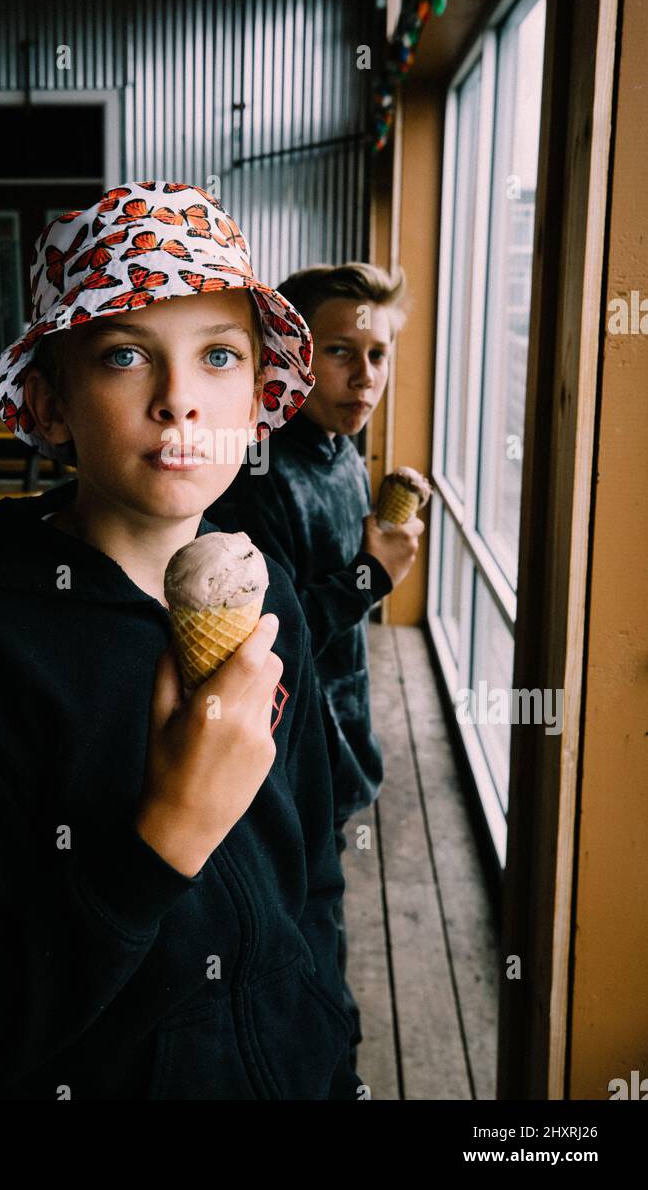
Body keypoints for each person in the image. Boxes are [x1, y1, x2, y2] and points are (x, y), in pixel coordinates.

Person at [0, 181, 365, 1101]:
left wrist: (331, 1041)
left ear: (261, 394)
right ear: (52, 404)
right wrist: (161, 841)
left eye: (218, 355)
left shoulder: (275, 602)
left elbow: (314, 874)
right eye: (124, 356)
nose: (180, 400)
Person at [206, 262, 424, 1073]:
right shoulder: (258, 473)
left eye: (377, 354)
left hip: (338, 746)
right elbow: (270, 639)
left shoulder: (338, 448)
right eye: (340, 351)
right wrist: (374, 576)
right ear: (291, 353)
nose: (364, 376)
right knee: (300, 939)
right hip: (286, 761)